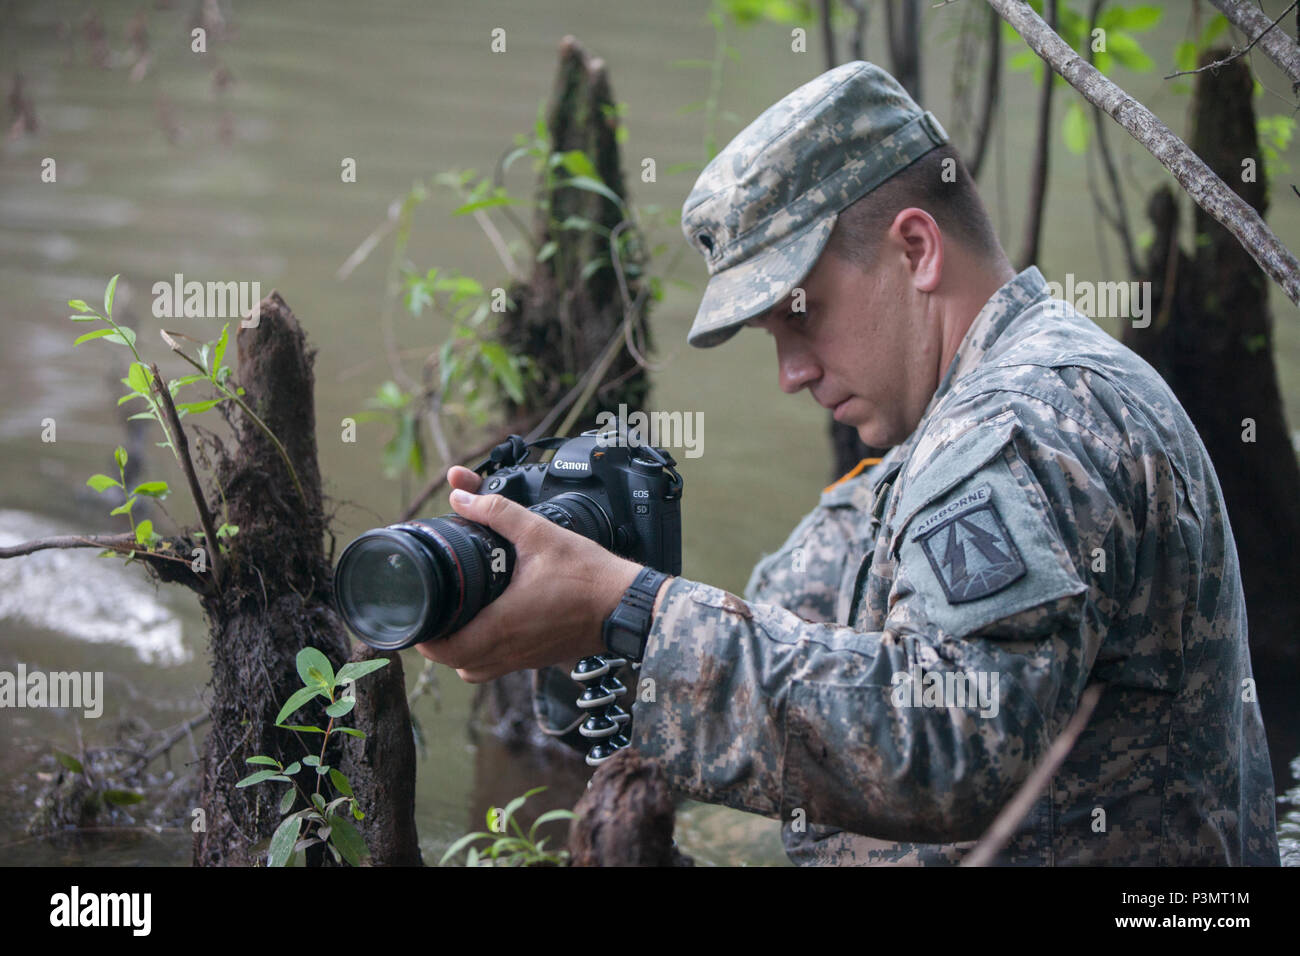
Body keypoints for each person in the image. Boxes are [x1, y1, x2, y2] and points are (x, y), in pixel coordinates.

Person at [416, 61, 1280, 865]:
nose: (791, 373)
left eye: (802, 315)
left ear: (917, 249)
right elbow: (804, 645)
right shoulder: (966, 431)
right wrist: (571, 607)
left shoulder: (1023, 422)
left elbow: (949, 746)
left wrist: (629, 612)